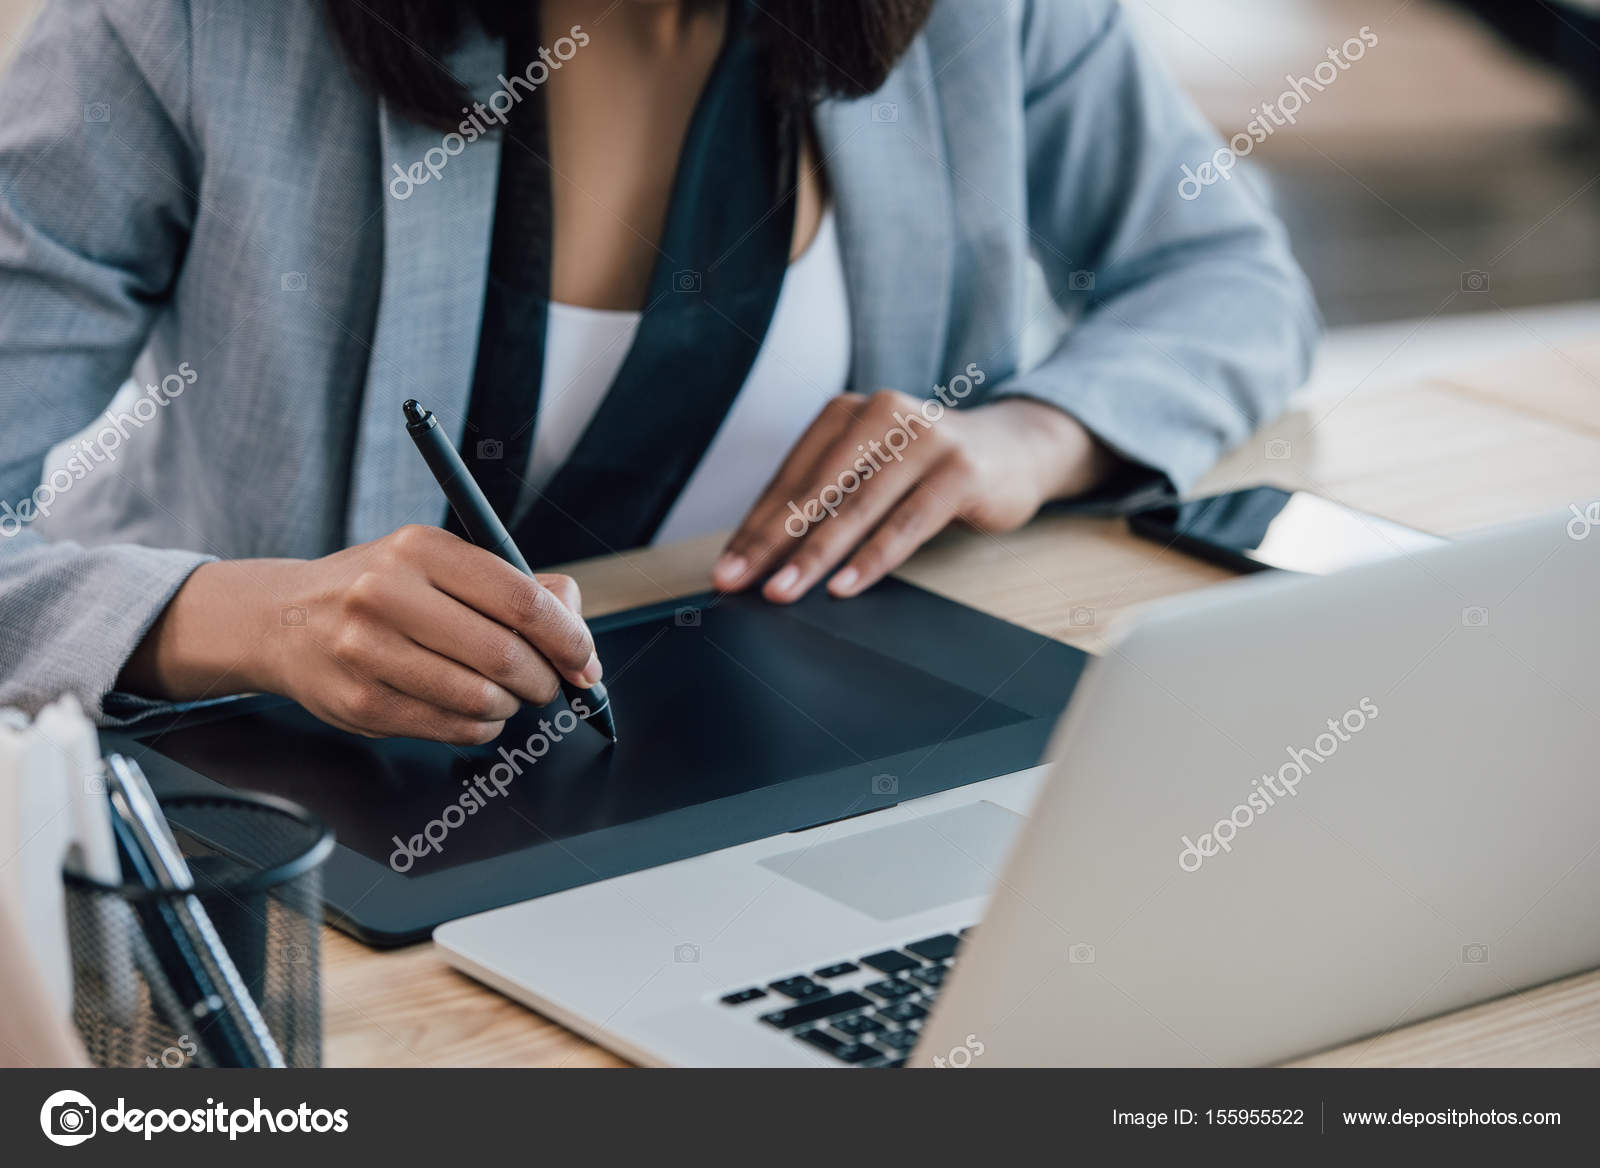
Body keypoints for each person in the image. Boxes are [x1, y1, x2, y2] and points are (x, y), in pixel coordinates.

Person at [0, 0, 1318, 745]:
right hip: (305, 840)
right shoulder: (174, 29)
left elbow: (1229, 280)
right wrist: (252, 620)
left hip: (826, 773)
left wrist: (1029, 437)